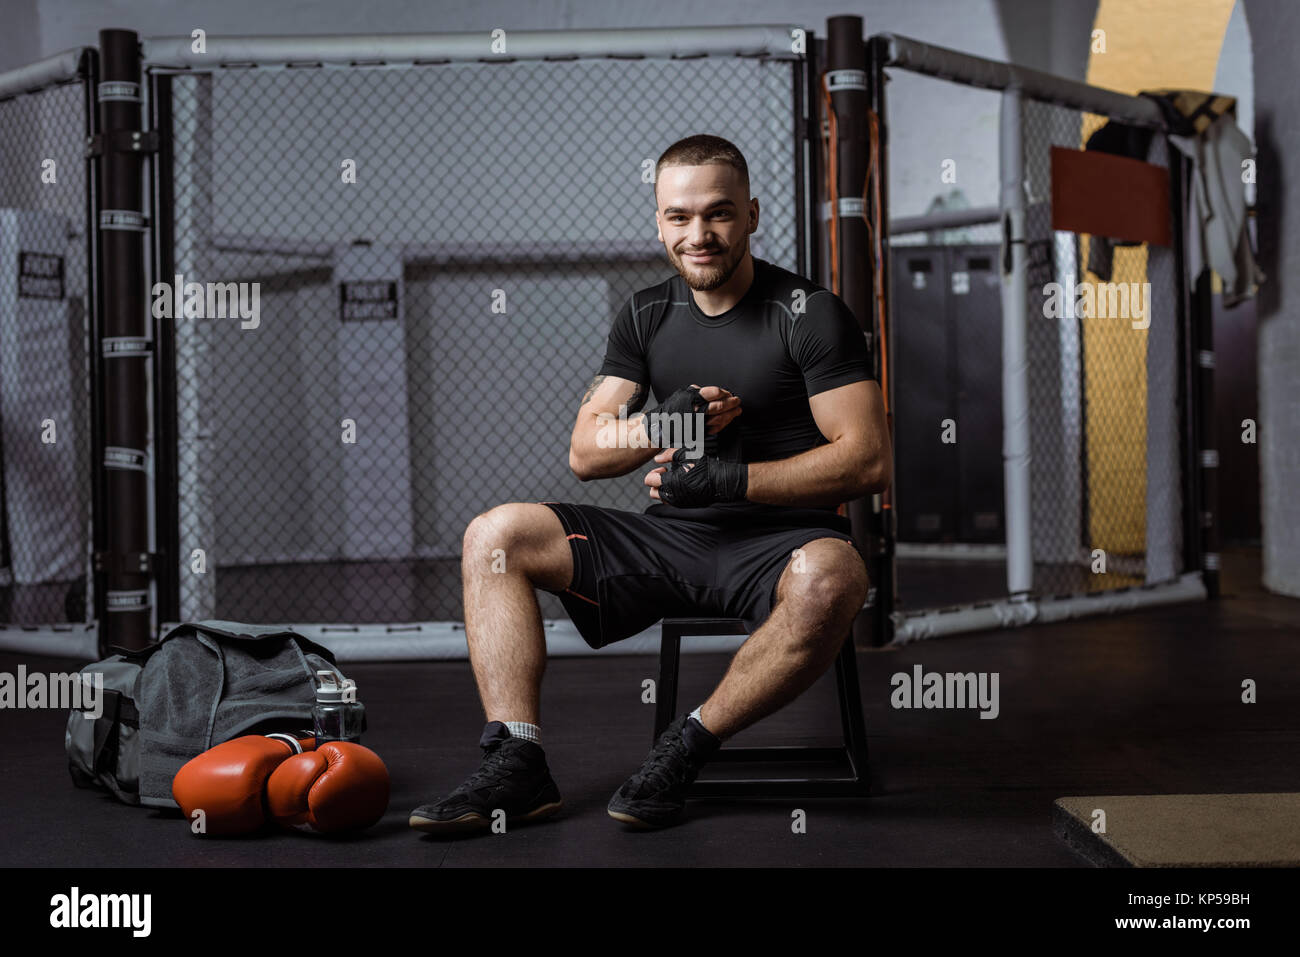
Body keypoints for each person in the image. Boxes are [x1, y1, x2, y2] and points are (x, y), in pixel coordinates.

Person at [410, 133, 892, 833]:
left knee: (836, 576)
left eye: (718, 214)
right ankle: (517, 759)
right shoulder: (646, 313)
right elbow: (586, 449)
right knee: (496, 535)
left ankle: (686, 744)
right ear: (659, 220)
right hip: (671, 537)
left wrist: (732, 478)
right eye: (679, 216)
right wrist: (660, 425)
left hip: (782, 546)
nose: (699, 234)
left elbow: (867, 459)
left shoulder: (808, 314)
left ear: (752, 214)